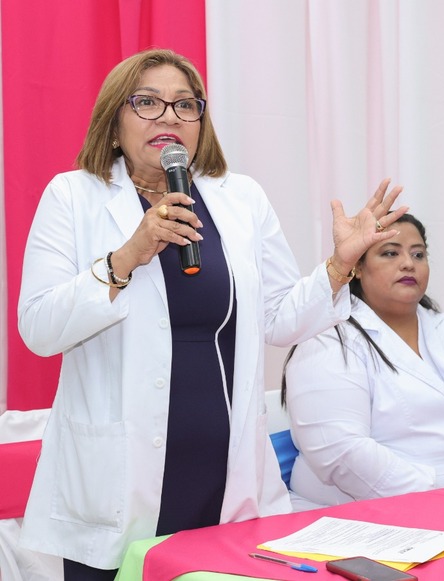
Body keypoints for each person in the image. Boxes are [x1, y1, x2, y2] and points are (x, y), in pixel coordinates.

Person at [16, 48, 406, 580]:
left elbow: (278, 319)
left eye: (185, 105)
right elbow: (39, 328)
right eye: (147, 103)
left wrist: (339, 267)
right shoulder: (73, 197)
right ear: (114, 122)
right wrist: (126, 257)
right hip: (116, 484)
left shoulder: (239, 198)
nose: (169, 117)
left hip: (225, 473)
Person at [282, 213, 444, 508]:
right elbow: (342, 451)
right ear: (357, 267)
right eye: (390, 253)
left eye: (418, 254)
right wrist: (440, 498)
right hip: (365, 516)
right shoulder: (327, 339)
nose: (409, 263)